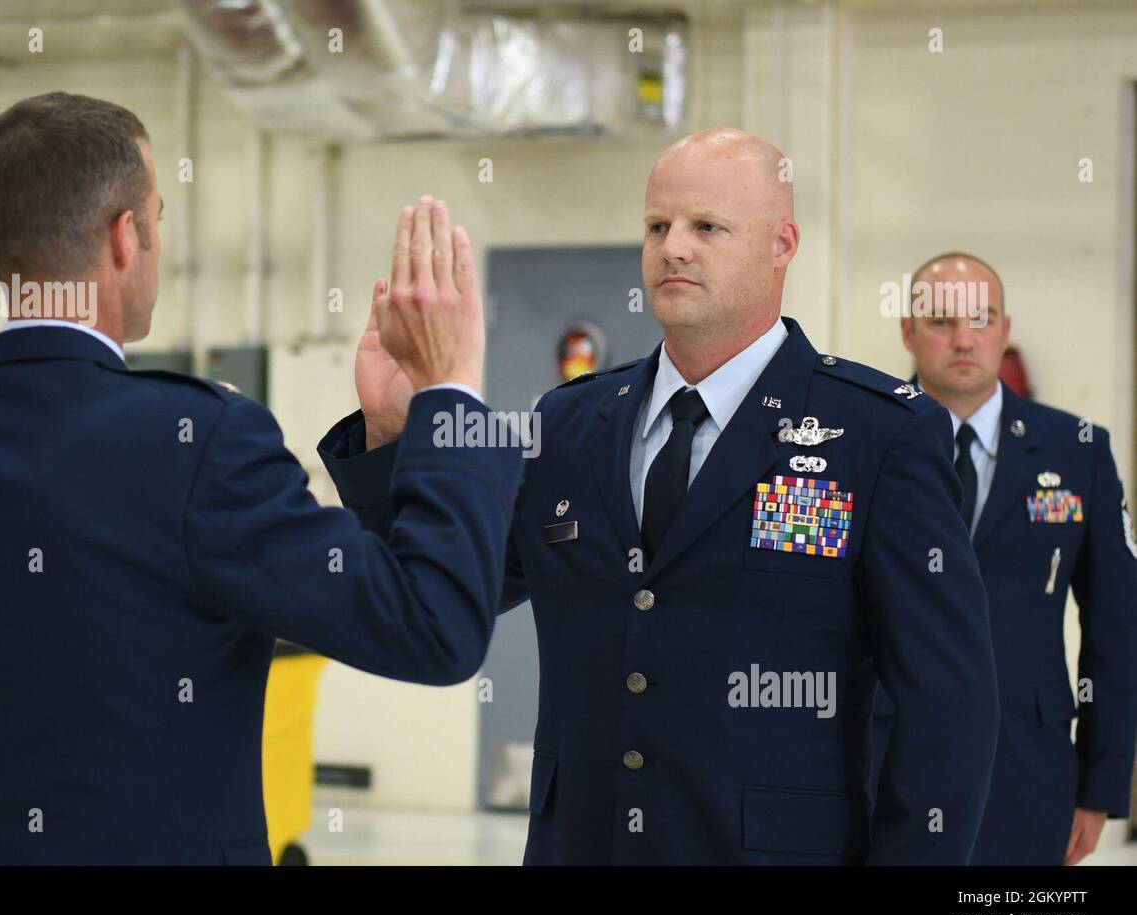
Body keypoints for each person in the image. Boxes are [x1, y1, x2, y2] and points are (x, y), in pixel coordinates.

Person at [0, 92, 521, 865]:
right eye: (156, 218)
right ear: (125, 237)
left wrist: (392, 435)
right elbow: (432, 625)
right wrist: (448, 393)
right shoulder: (199, 445)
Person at [320, 128, 1000, 864]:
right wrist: (393, 433)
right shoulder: (568, 424)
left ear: (782, 244)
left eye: (706, 227)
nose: (674, 247)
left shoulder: (879, 434)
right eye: (657, 226)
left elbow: (947, 704)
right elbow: (444, 589)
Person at [874, 251, 1137, 865]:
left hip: (1029, 766)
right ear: (908, 331)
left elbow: (1116, 628)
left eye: (982, 318)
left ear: (1005, 330)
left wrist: (1100, 787)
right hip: (883, 759)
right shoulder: (864, 441)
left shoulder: (1078, 452)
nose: (964, 339)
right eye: (940, 320)